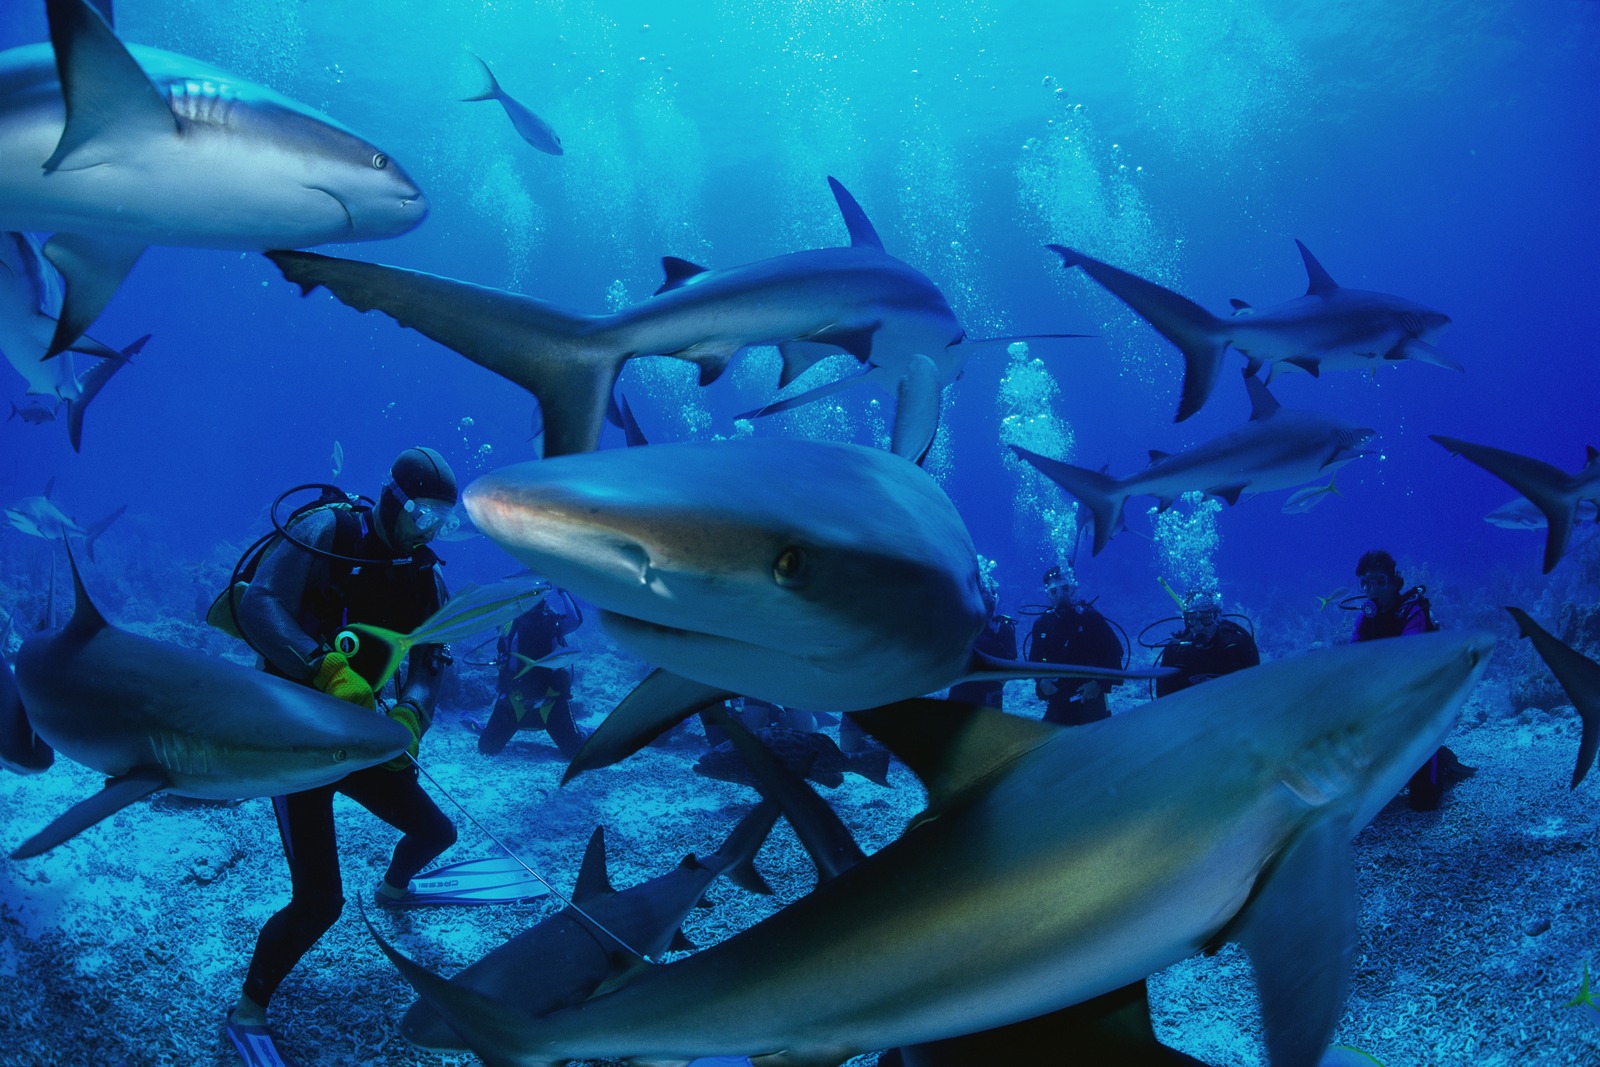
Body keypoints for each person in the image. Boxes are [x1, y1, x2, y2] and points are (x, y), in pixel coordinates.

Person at [225, 447, 459, 1062]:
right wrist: (323, 664)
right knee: (320, 901)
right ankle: (247, 1010)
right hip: (297, 743)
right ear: (394, 498)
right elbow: (258, 604)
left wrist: (411, 715)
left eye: (443, 520)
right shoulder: (328, 531)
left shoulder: (426, 576)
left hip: (361, 739)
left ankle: (392, 890)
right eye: (423, 514)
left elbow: (430, 662)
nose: (430, 530)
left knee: (437, 832)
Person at [1350, 548, 1474, 810]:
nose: (1373, 589)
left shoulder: (1412, 611)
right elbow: (1351, 663)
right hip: (1382, 706)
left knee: (1424, 802)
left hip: (1419, 704)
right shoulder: (1364, 619)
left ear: (1395, 582)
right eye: (1366, 583)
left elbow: (1409, 658)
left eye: (1380, 581)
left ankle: (1442, 760)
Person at [479, 589, 589, 758]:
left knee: (575, 752)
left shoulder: (554, 624)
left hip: (550, 699)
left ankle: (584, 731)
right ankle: (487, 728)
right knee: (487, 747)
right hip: (515, 697)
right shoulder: (509, 624)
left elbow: (575, 620)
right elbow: (491, 613)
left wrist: (562, 590)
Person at [1024, 566, 1125, 725]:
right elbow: (1034, 660)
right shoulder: (1042, 624)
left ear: (1073, 588)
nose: (1061, 596)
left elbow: (1115, 652)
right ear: (1048, 594)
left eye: (1065, 588)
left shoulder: (1090, 618)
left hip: (1089, 698)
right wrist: (1041, 681)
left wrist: (1099, 684)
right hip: (1058, 699)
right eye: (1054, 591)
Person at [1153, 591, 1260, 698]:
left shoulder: (1237, 646)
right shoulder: (1175, 651)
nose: (1199, 626)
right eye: (1192, 619)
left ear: (1217, 618)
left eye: (1205, 618)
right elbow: (1163, 697)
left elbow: (1255, 690)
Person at [948, 567, 1018, 708]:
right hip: (961, 692)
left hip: (989, 695)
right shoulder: (963, 625)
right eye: (981, 602)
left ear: (994, 603)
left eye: (988, 604)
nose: (984, 609)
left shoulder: (1003, 627)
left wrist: (995, 637)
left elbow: (1011, 662)